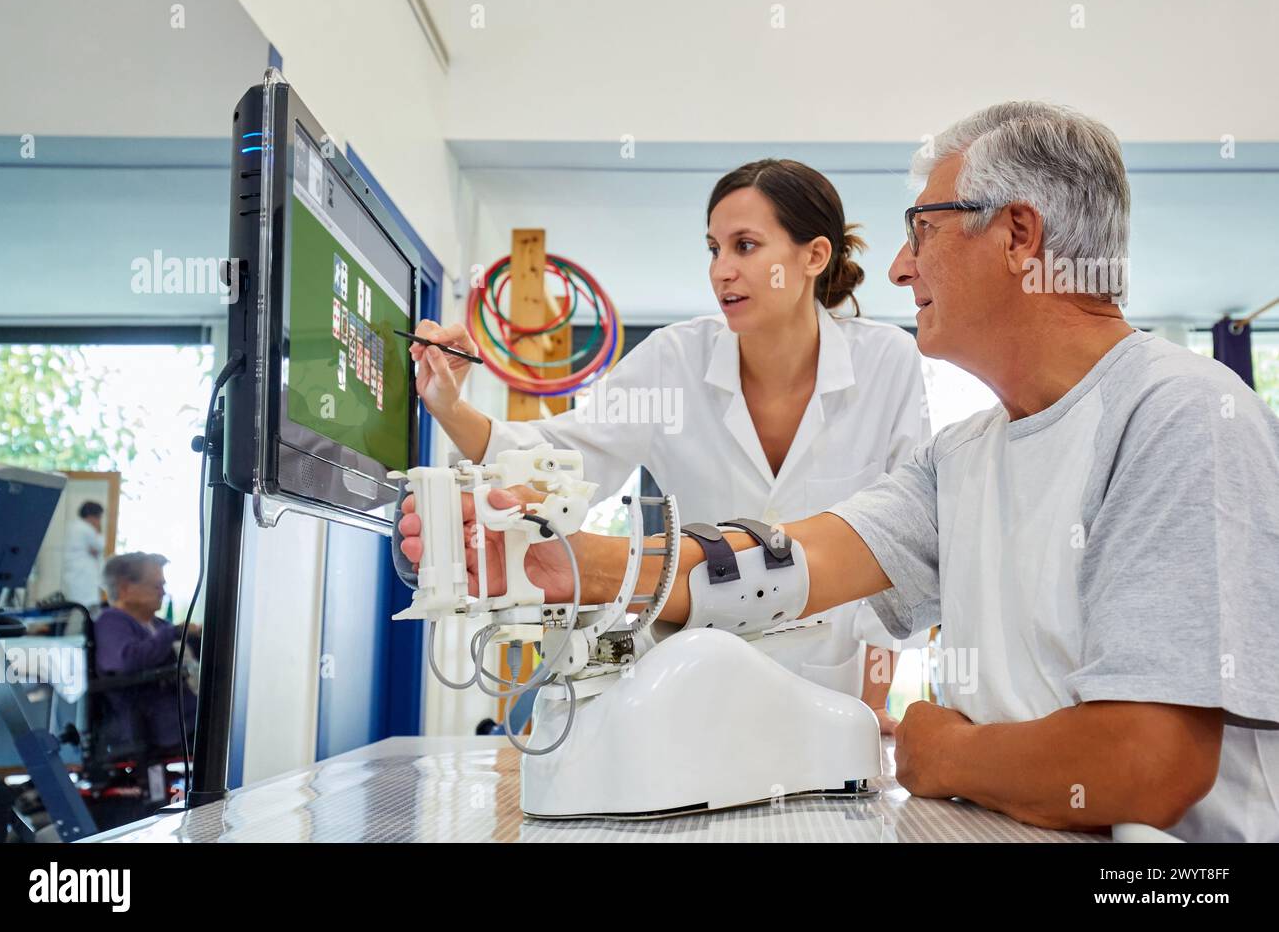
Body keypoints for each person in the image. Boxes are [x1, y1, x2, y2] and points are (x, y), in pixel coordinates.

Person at [399, 102, 1279, 841]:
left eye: (923, 231)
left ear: (1019, 234)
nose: (899, 266)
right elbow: (789, 559)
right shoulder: (968, 454)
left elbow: (1145, 763)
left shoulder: (1180, 412)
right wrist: (569, 565)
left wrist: (943, 752)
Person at [410, 159, 930, 730]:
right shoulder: (673, 361)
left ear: (814, 256)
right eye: (714, 249)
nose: (722, 271)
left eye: (745, 246)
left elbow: (897, 548)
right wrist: (449, 406)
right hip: (691, 692)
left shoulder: (886, 363)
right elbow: (561, 456)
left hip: (833, 699)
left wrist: (874, 703)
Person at [93, 552, 199, 754]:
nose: (163, 592)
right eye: (157, 586)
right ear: (125, 588)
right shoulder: (111, 622)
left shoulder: (157, 624)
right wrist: (174, 633)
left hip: (181, 713)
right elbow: (127, 661)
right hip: (153, 722)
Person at [61, 500, 106, 609]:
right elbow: (100, 545)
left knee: (79, 609)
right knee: (85, 610)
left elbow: (95, 549)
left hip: (78, 577)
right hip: (82, 578)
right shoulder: (85, 528)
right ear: (92, 516)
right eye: (99, 517)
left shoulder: (75, 527)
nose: (99, 521)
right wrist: (98, 530)